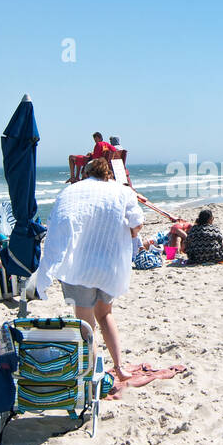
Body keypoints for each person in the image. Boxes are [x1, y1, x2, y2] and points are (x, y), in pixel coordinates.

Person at [30, 157, 143, 386]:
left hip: (77, 267)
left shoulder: (72, 192)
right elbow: (136, 224)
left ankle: (91, 375)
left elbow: (57, 222)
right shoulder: (122, 192)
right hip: (108, 265)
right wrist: (128, 234)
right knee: (105, 314)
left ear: (85, 173)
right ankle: (119, 368)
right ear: (109, 174)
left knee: (85, 323)